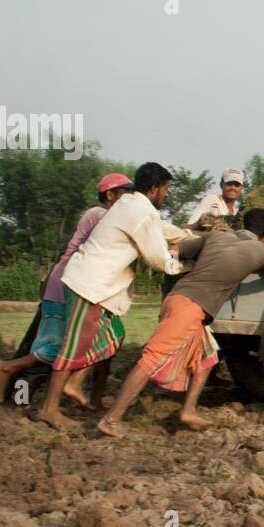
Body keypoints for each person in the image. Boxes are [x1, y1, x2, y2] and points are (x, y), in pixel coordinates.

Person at [95, 208, 264, 438]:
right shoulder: (260, 250)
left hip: (181, 300)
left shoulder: (216, 236)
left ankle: (188, 411)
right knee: (151, 360)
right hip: (189, 307)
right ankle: (111, 419)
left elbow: (178, 249)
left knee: (207, 358)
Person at [36, 162, 181, 431]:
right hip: (89, 285)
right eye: (166, 189)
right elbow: (160, 260)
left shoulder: (130, 206)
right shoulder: (141, 213)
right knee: (74, 347)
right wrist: (175, 256)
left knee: (114, 336)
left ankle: (74, 383)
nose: (167, 194)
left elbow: (160, 229)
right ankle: (49, 409)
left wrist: (187, 233)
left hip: (94, 285)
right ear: (153, 189)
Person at [0, 172, 135, 406]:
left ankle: (20, 396)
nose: (131, 202)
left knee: (58, 347)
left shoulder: (102, 217)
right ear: (110, 195)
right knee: (56, 348)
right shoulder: (101, 215)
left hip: (70, 286)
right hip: (68, 286)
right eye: (126, 195)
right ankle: (11, 381)